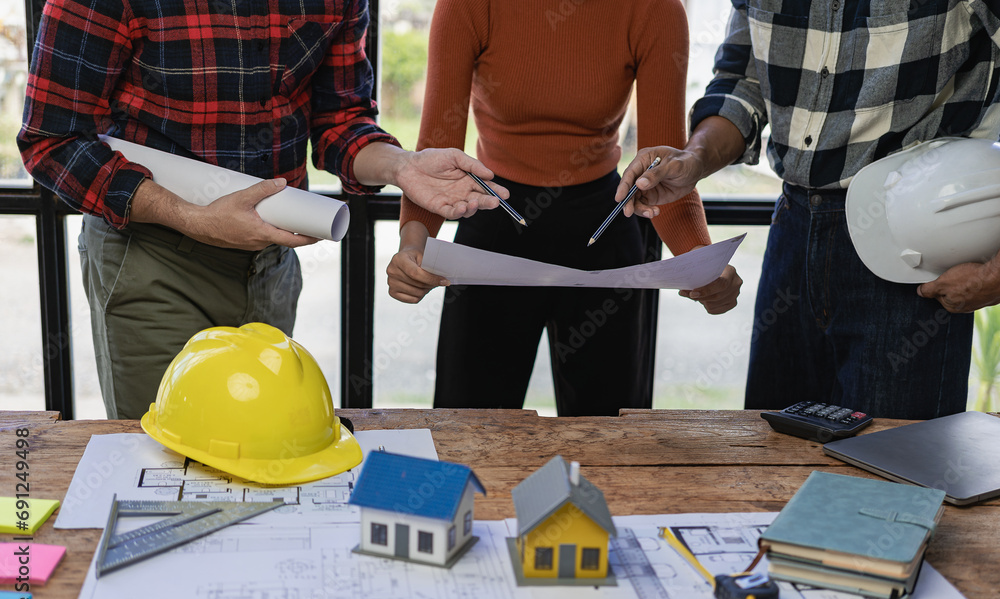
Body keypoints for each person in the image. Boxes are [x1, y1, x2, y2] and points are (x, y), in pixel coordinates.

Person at [18, 0, 505, 420]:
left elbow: (340, 121)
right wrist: (192, 217)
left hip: (269, 264)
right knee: (168, 469)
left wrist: (402, 167)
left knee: (258, 456)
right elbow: (52, 141)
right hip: (153, 258)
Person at [615, 0, 1000, 420]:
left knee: (891, 476)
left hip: (911, 250)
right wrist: (695, 159)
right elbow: (742, 83)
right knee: (771, 466)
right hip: (792, 237)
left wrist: (994, 274)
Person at [386, 0, 743, 417]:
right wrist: (412, 244)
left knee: (610, 441)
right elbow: (435, 152)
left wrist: (701, 261)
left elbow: (666, 170)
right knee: (470, 428)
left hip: (606, 226)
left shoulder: (656, 9)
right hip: (495, 225)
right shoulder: (468, 6)